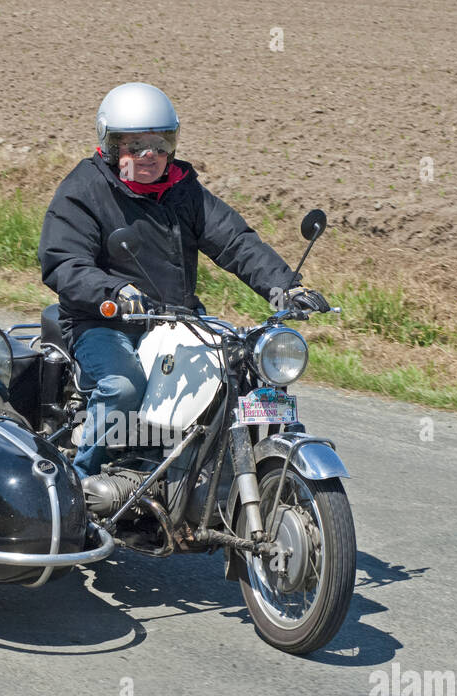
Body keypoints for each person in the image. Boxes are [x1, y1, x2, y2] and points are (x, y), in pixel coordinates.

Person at [38, 82, 332, 479]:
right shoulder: (84, 191)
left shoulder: (182, 190)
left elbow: (233, 240)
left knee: (239, 378)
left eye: (160, 144)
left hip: (176, 320)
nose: (149, 155)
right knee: (123, 388)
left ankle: (213, 482)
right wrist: (116, 292)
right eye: (135, 145)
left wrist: (286, 286)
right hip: (103, 322)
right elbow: (63, 261)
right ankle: (80, 483)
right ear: (110, 145)